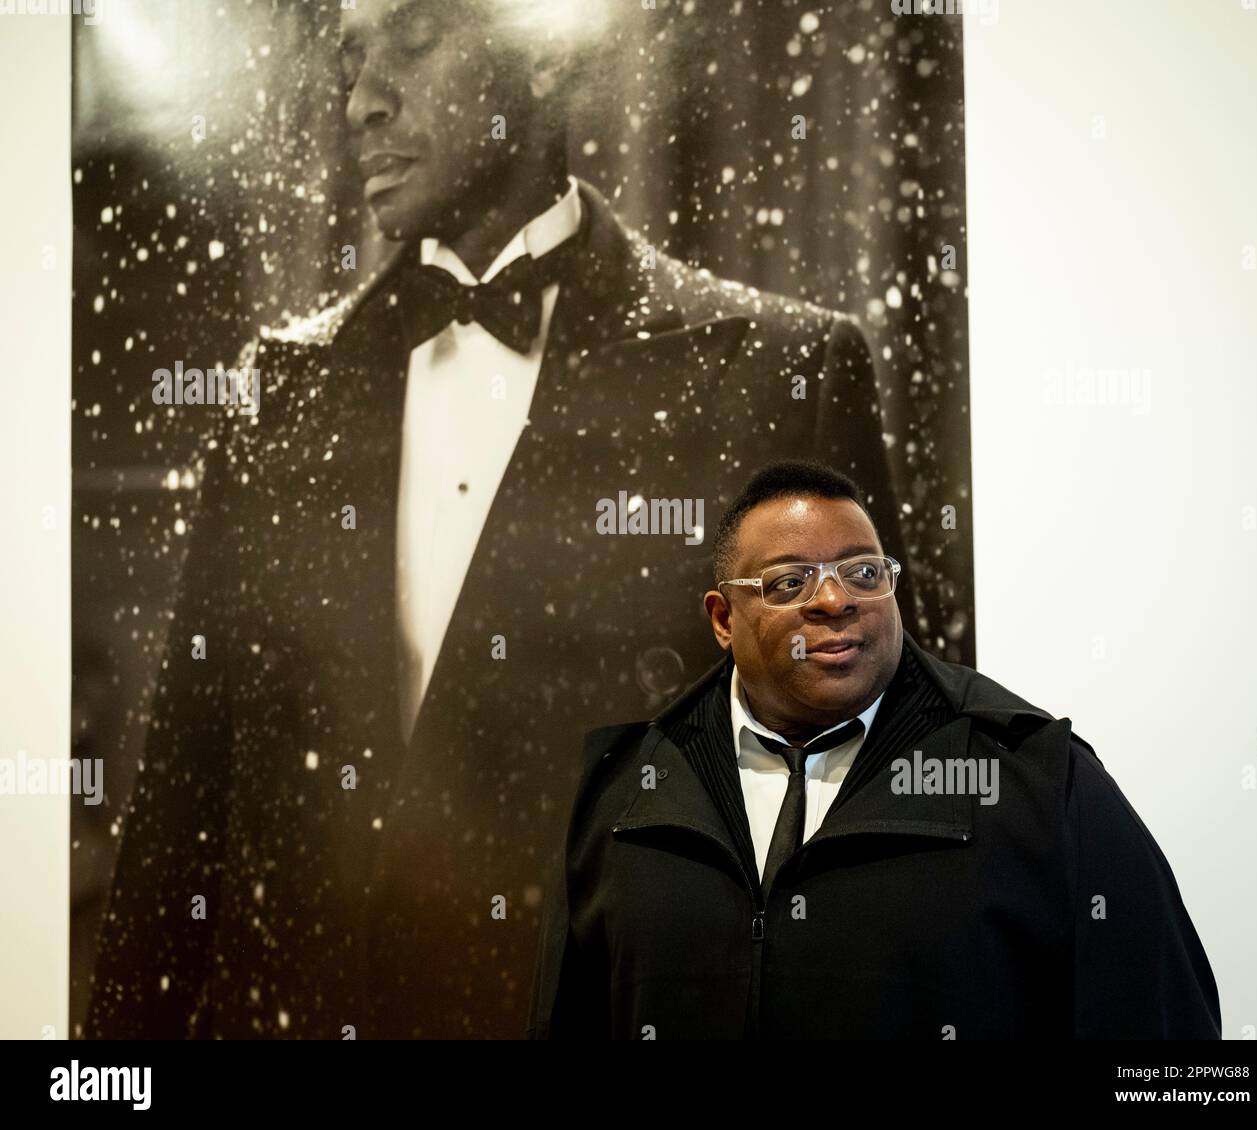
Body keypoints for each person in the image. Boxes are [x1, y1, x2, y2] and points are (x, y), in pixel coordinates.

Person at [86, 2, 902, 1038]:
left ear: (548, 56)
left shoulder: (774, 374)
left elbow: (871, 815)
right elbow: (179, 820)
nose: (362, 101)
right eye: (351, 60)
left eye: (413, 41)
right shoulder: (277, 395)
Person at [528, 459, 1221, 1038]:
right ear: (721, 617)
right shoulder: (625, 796)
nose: (835, 601)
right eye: (789, 582)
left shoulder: (1035, 777)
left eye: (863, 573)